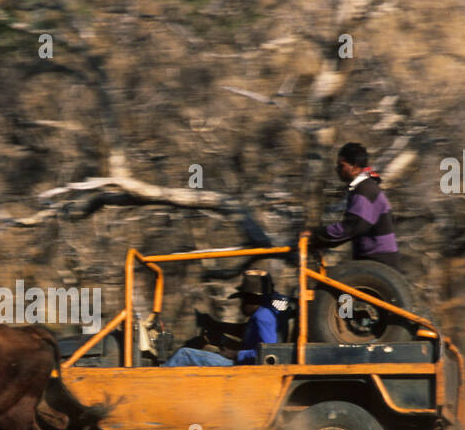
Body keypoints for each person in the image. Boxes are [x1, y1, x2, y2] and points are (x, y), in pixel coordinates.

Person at [162, 271, 290, 366]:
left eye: (242, 300)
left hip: (244, 367)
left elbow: (269, 353)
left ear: (250, 299)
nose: (241, 305)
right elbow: (249, 339)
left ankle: (155, 388)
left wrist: (235, 354)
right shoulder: (265, 313)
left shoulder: (263, 316)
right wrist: (221, 339)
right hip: (244, 364)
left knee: (184, 354)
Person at [309, 142, 401, 271]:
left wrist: (315, 235)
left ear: (355, 168)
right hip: (374, 260)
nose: (337, 170)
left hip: (378, 262)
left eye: (341, 166)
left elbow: (352, 227)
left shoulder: (365, 190)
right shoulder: (365, 188)